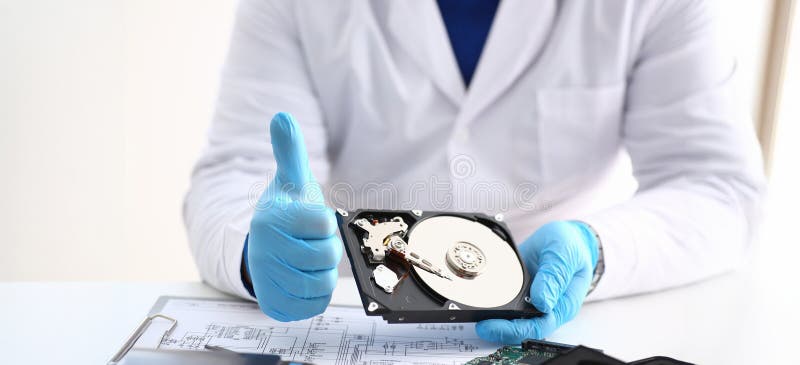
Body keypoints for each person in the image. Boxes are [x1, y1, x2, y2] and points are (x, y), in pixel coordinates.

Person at [184, 0, 765, 344]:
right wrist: (256, 254)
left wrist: (598, 250)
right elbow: (236, 174)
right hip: (364, 316)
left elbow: (716, 184)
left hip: (571, 312)